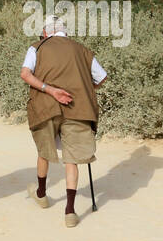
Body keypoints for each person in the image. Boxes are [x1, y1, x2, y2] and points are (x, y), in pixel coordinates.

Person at [20, 14, 107, 227]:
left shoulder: (37, 47)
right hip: (78, 109)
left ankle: (41, 193)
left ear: (46, 32)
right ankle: (70, 211)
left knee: (44, 152)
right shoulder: (82, 50)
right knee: (72, 159)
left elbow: (25, 74)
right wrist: (85, 91)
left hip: (46, 107)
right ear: (64, 31)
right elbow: (102, 77)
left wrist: (49, 90)